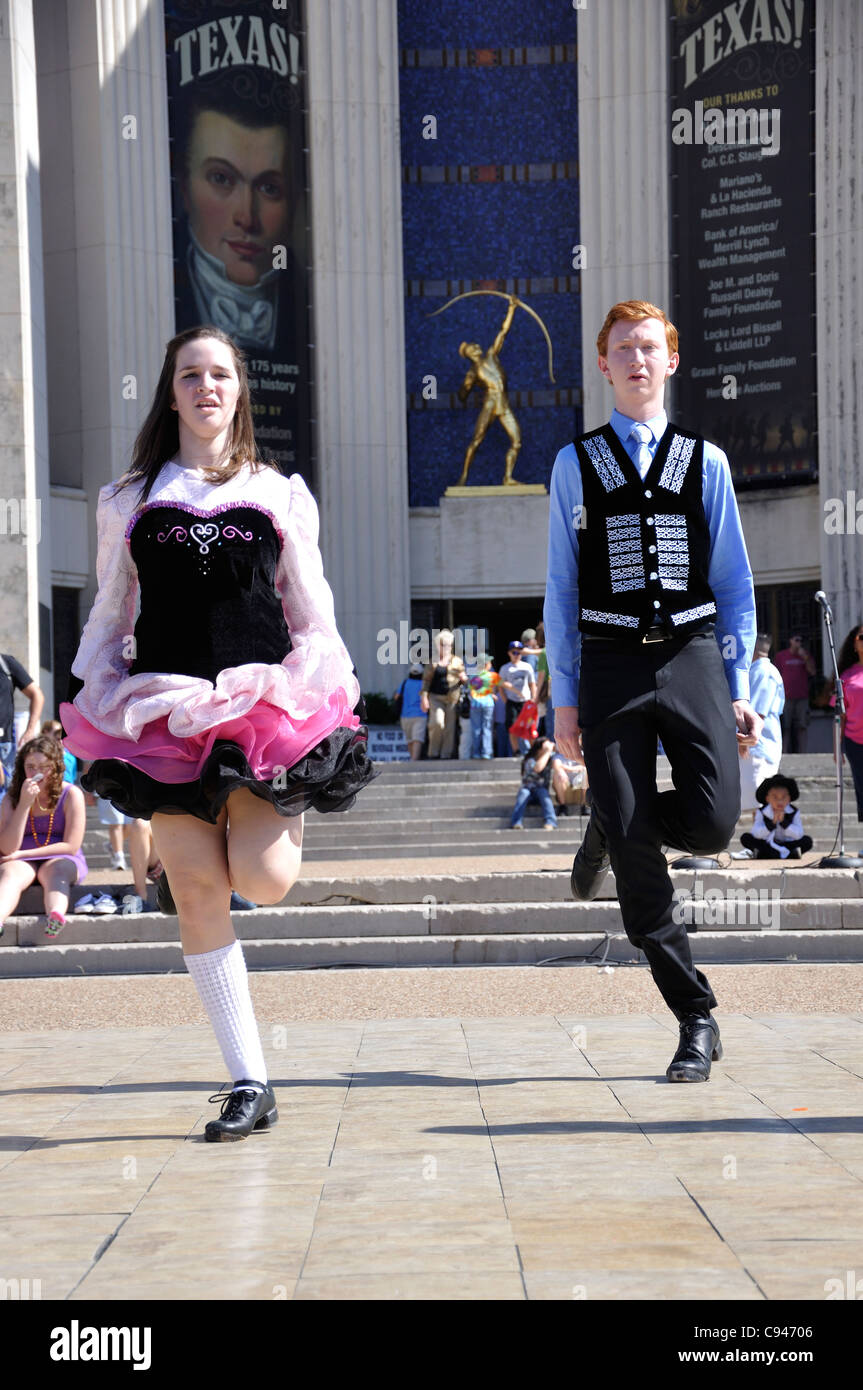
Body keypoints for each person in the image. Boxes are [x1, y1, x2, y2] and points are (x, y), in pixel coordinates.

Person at [59, 325, 374, 1141]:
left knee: (264, 880)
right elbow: (111, 607)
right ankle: (248, 1081)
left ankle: (283, 801)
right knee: (196, 891)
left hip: (260, 706)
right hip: (162, 711)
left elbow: (309, 607)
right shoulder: (129, 498)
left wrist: (322, 699)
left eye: (220, 374)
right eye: (190, 374)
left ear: (239, 390)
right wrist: (93, 687)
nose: (206, 386)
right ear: (171, 392)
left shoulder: (278, 492)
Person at [545, 299, 760, 1083]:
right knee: (641, 851)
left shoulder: (705, 460)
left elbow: (733, 581)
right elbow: (560, 589)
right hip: (608, 661)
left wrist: (737, 680)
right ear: (602, 366)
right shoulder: (574, 462)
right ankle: (694, 1016)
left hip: (694, 653)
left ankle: (611, 821)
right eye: (620, 349)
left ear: (671, 359)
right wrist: (561, 699)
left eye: (648, 347)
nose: (636, 360)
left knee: (709, 822)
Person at [0, 735, 88, 940]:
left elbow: (71, 846)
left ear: (56, 767)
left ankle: (55, 915)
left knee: (56, 871)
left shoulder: (72, 794)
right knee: (10, 874)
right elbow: (6, 847)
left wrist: (24, 853)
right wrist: (23, 804)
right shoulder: (12, 798)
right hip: (19, 858)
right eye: (30, 766)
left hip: (60, 856)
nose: (37, 773)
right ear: (22, 767)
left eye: (44, 766)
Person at [739, 634, 785, 813]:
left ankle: (765, 840)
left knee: (761, 800)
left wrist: (745, 740)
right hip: (762, 743)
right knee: (759, 801)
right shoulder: (764, 669)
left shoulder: (762, 671)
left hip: (759, 744)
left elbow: (757, 713)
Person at [0, 653, 44, 802]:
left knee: (6, 797)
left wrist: (30, 730)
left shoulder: (5, 663)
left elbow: (37, 694)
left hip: (4, 745)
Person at [739, 775, 812, 859]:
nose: (779, 801)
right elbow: (756, 833)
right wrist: (771, 824)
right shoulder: (762, 812)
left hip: (787, 843)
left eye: (783, 797)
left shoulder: (794, 812)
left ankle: (767, 854)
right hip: (767, 843)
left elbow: (799, 834)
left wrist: (784, 823)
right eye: (775, 797)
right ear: (767, 798)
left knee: (807, 841)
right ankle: (788, 854)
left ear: (789, 798)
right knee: (746, 838)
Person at [420, 631, 467, 759]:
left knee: (449, 728)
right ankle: (433, 753)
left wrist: (464, 678)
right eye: (444, 645)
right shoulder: (432, 662)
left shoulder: (457, 661)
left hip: (452, 697)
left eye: (449, 645)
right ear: (438, 645)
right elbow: (426, 682)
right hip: (435, 697)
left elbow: (464, 678)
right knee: (437, 723)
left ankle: (446, 754)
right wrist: (424, 698)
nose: (447, 647)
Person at [836, 622, 863, 822]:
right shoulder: (846, 675)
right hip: (855, 741)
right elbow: (840, 715)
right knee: (862, 788)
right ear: (854, 644)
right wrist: (837, 748)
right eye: (861, 637)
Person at [774, 635, 816, 753]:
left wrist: (806, 658)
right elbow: (776, 673)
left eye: (801, 641)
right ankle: (784, 752)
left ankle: (803, 752)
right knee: (785, 726)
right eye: (797, 640)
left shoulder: (805, 655)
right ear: (790, 641)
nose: (799, 643)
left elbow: (812, 672)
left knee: (802, 726)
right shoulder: (781, 656)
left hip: (802, 696)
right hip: (785, 697)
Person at [509, 738, 558, 831]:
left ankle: (550, 822)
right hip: (528, 790)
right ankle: (516, 822)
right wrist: (547, 752)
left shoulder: (550, 757)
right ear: (539, 748)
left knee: (543, 793)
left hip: (541, 791)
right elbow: (538, 768)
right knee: (523, 793)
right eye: (546, 745)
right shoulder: (530, 760)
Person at [499, 640, 537, 755]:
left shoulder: (527, 667)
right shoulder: (505, 668)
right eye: (514, 652)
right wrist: (505, 700)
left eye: (519, 652)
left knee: (530, 727)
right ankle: (516, 751)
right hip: (512, 701)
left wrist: (533, 699)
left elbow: (532, 684)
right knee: (512, 727)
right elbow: (500, 685)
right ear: (509, 653)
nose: (516, 655)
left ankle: (533, 751)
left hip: (526, 701)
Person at [395, 662, 427, 760]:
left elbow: (396, 697)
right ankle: (414, 760)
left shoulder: (405, 683)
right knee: (417, 738)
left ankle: (412, 759)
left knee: (409, 740)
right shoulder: (424, 684)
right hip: (420, 714)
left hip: (405, 716)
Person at [468, 655, 497, 759]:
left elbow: (472, 691)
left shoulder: (473, 676)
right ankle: (486, 752)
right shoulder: (491, 675)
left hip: (475, 704)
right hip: (488, 704)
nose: (491, 665)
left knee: (476, 728)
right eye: (490, 663)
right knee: (487, 728)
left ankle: (476, 752)